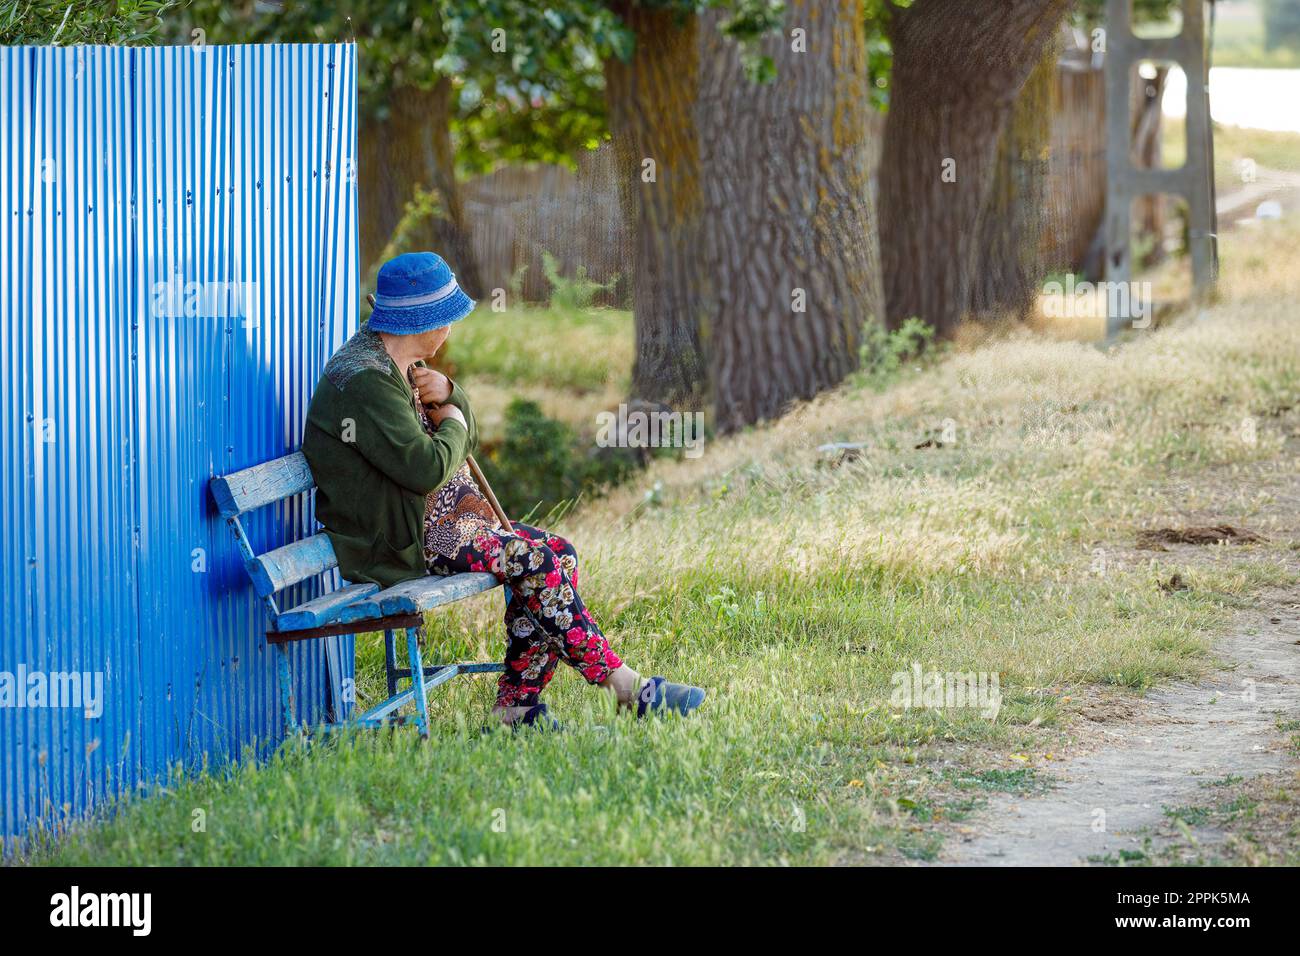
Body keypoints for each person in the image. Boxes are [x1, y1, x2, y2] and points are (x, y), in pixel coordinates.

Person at [303, 252, 705, 729]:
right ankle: (624, 685)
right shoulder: (365, 381)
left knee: (558, 551)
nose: (450, 329)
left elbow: (459, 437)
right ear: (422, 322)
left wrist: (451, 394)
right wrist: (452, 417)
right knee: (534, 561)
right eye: (447, 319)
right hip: (399, 542)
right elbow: (426, 468)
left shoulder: (399, 365)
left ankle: (517, 708)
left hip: (441, 521)